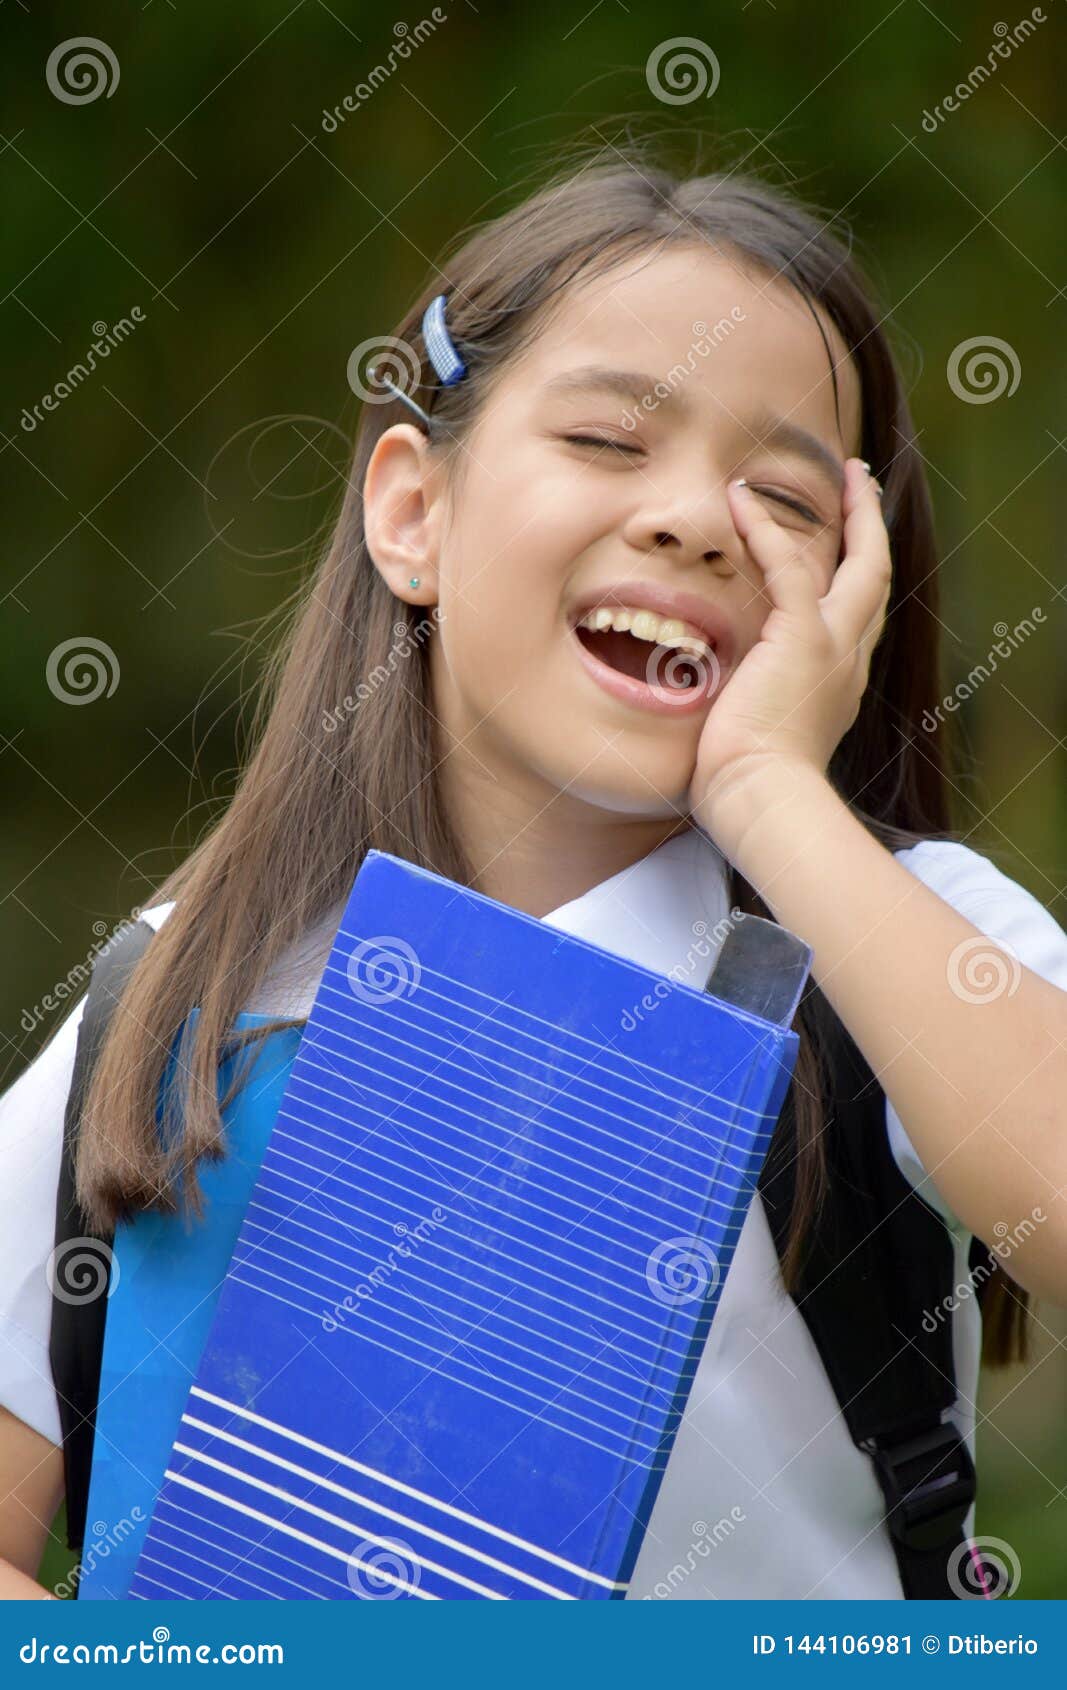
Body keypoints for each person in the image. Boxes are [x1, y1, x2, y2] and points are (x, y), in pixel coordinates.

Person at [3, 145, 1066, 1600]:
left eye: (787, 498)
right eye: (612, 443)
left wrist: (768, 791)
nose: (695, 518)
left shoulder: (894, 929)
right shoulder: (174, 994)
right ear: (411, 512)